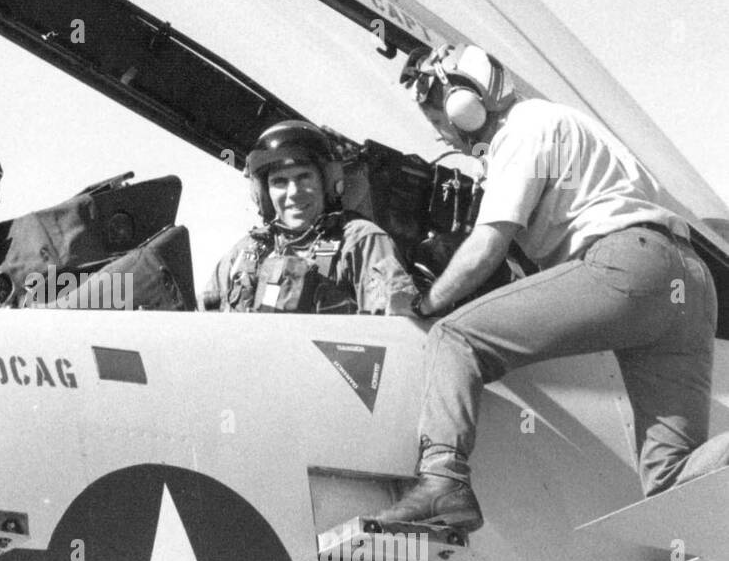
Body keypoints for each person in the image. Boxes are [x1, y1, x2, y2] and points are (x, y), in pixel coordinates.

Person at [371, 43, 729, 532]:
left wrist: (424, 301)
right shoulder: (566, 125)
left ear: (463, 104)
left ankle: (442, 485)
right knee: (672, 481)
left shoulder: (522, 130)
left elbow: (488, 244)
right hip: (686, 282)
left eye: (437, 119)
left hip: (628, 268)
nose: (443, 135)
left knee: (455, 338)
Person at [202, 120, 416, 315]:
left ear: (326, 182)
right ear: (265, 193)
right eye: (279, 182)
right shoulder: (245, 252)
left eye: (304, 177)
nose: (293, 192)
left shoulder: (360, 242)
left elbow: (395, 328)